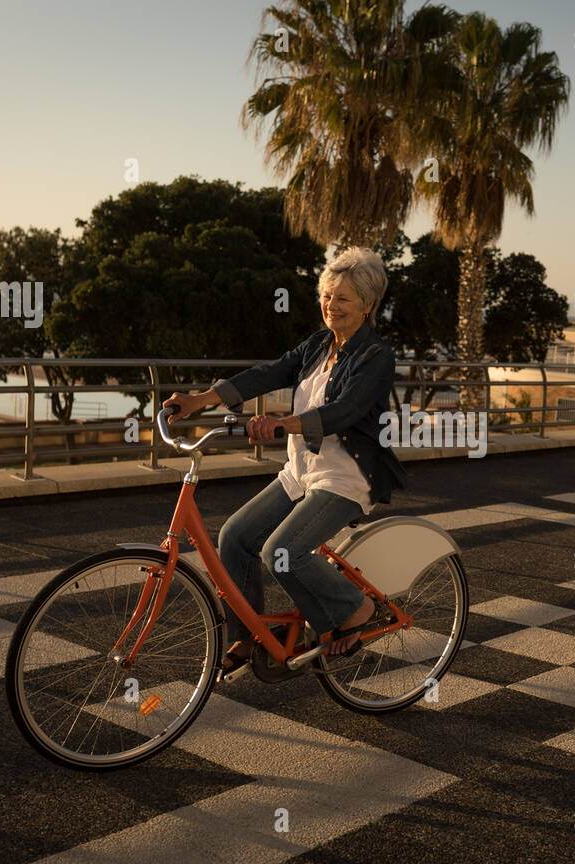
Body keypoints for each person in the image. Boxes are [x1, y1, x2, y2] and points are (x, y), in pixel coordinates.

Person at [164, 247, 407, 679]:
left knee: (282, 551)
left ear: (368, 306)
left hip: (346, 477)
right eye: (328, 296)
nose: (331, 306)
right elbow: (269, 372)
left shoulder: (376, 357)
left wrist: (284, 424)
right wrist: (200, 400)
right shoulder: (319, 344)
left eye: (344, 299)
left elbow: (345, 411)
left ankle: (356, 606)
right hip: (302, 473)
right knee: (235, 537)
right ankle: (248, 634)